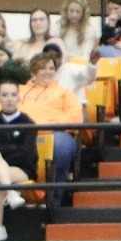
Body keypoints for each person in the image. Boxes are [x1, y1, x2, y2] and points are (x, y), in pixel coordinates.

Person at [16, 53, 81, 207]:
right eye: (43, 68)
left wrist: (48, 124)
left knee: (61, 146)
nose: (48, 72)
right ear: (33, 71)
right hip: (25, 135)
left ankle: (54, 202)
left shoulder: (64, 92)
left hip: (55, 133)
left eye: (51, 68)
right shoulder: (19, 91)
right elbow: (4, 110)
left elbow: (75, 116)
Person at [0, 80, 37, 241]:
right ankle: (10, 193)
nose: (9, 99)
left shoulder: (28, 123)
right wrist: (11, 148)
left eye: (13, 95)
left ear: (19, 97)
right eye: (4, 95)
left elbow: (27, 154)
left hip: (21, 170)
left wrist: (4, 151)